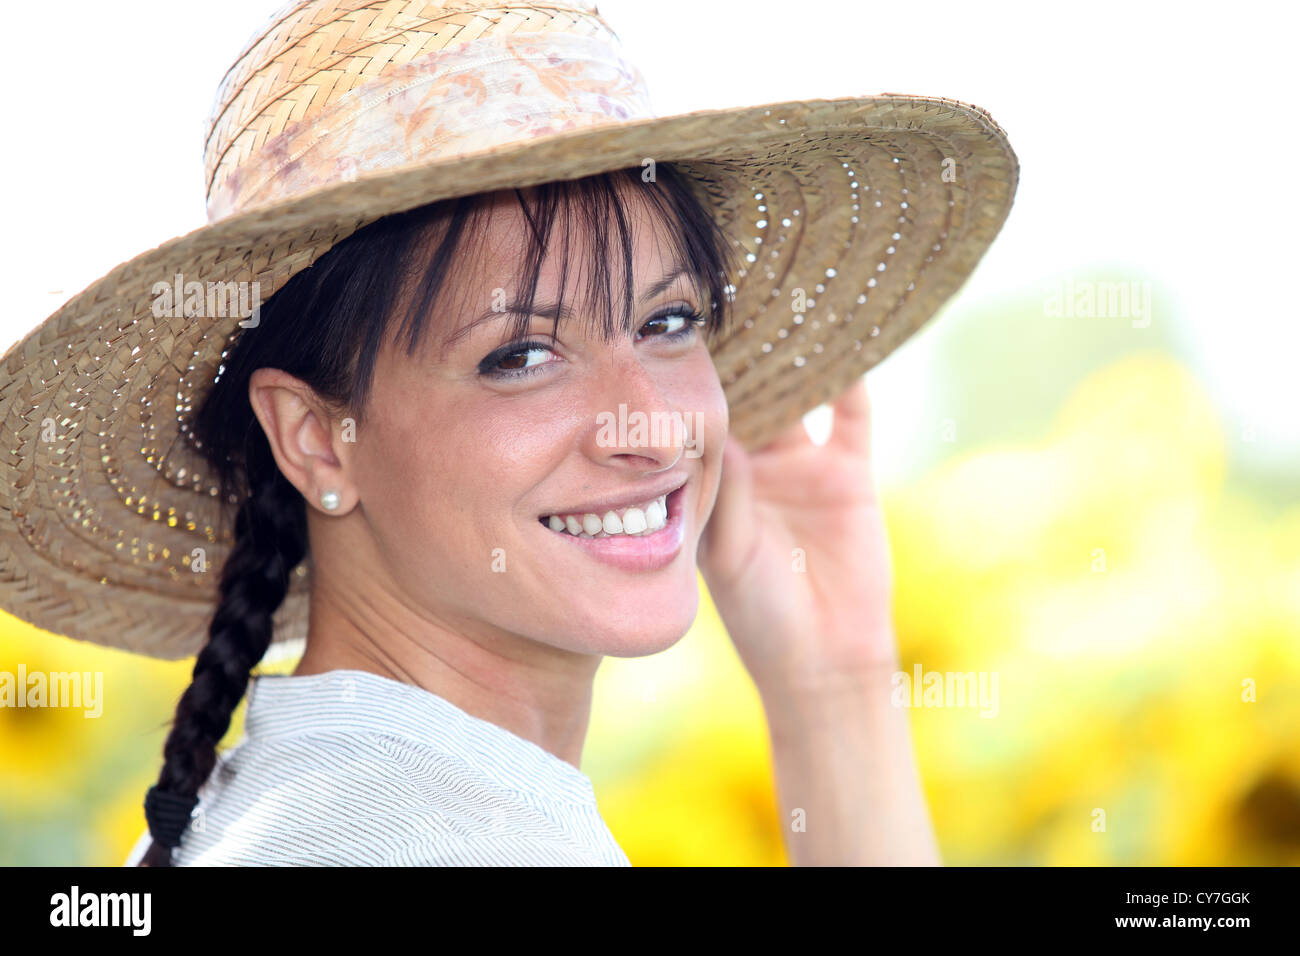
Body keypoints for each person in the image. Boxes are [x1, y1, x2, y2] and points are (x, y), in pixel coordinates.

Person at [0, 0, 1018, 866]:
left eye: (666, 321)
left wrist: (831, 683)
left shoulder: (326, 807)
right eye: (520, 354)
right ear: (315, 438)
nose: (650, 422)